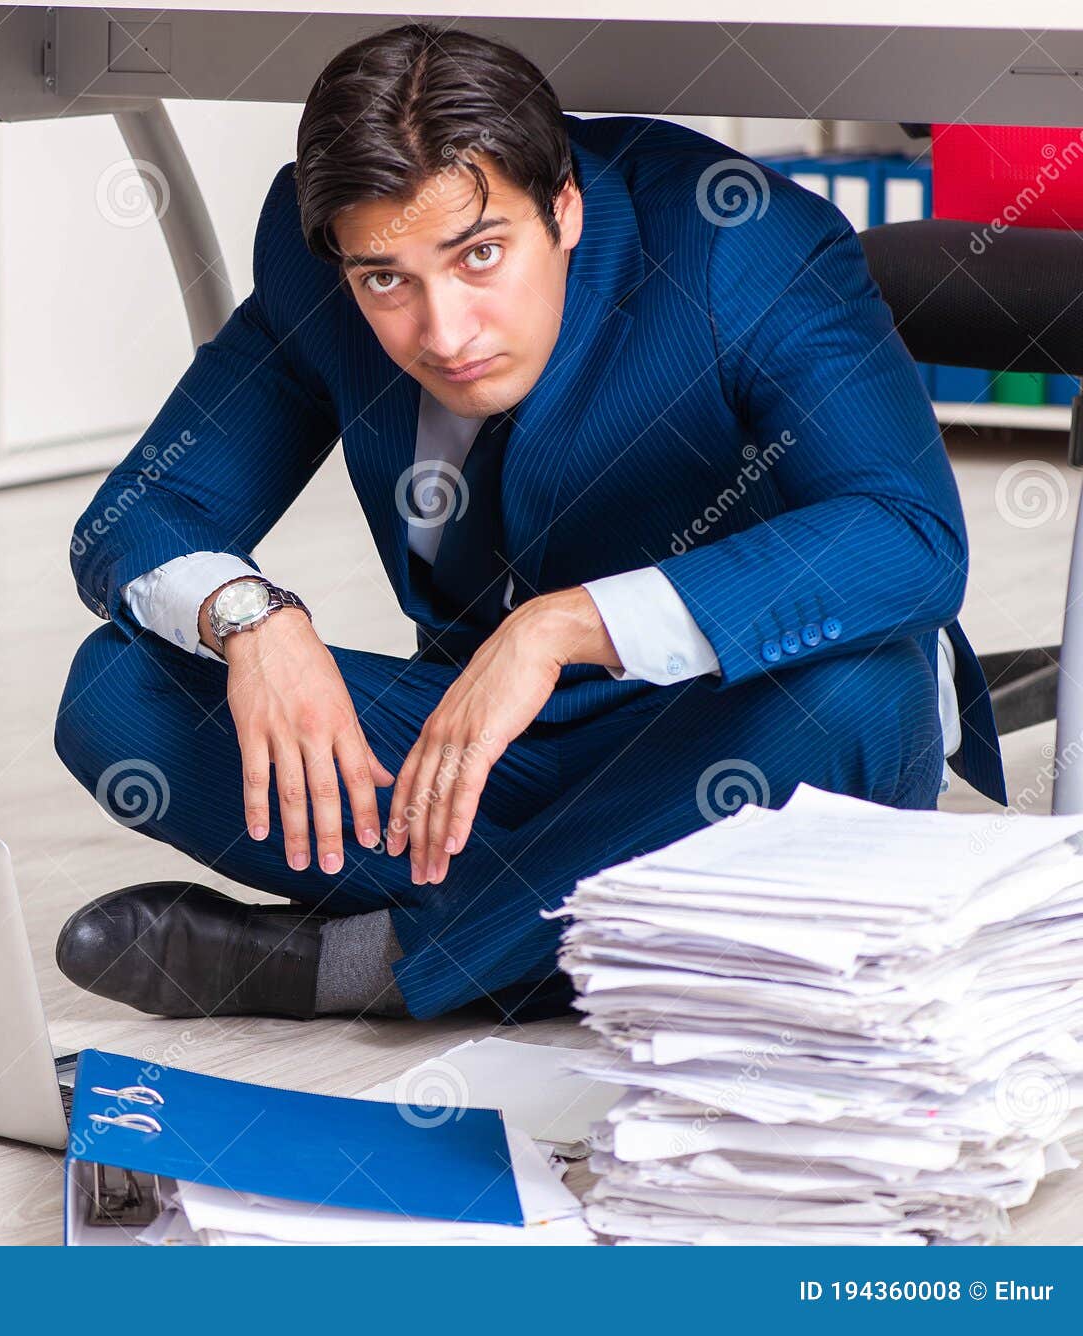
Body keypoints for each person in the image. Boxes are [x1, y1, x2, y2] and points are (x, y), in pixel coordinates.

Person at [51, 23, 1005, 1025]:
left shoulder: (742, 246)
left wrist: (559, 626)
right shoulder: (317, 271)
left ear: (564, 207)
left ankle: (357, 964)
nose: (445, 331)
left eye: (481, 255)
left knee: (859, 697)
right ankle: (596, 912)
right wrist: (252, 617)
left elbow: (907, 533)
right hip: (480, 740)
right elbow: (138, 515)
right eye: (387, 280)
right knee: (119, 692)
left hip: (728, 716)